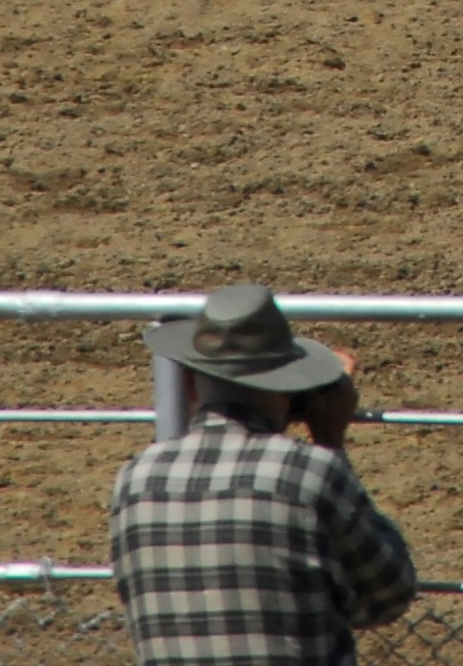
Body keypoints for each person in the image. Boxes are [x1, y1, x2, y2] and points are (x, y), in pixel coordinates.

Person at [109, 285, 417, 666]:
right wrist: (329, 439)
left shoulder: (135, 480)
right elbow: (387, 596)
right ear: (291, 386)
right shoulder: (309, 472)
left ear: (189, 383)